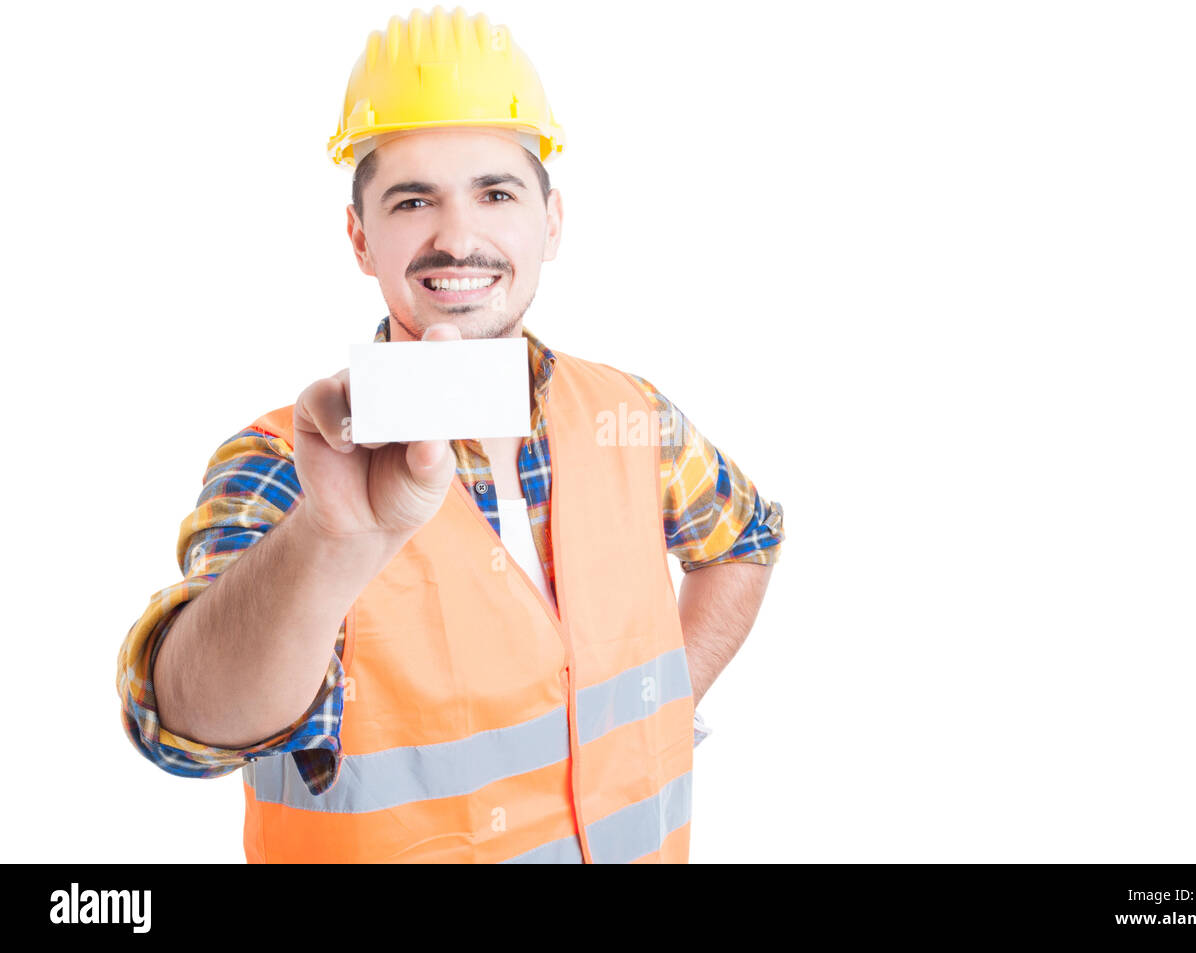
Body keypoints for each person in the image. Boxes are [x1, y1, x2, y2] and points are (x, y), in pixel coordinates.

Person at [115, 5, 784, 863]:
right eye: (413, 199)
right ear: (361, 237)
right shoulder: (289, 463)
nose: (458, 236)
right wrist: (330, 538)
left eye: (495, 193)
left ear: (552, 224)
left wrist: (652, 712)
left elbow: (747, 539)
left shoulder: (631, 414)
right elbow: (186, 725)